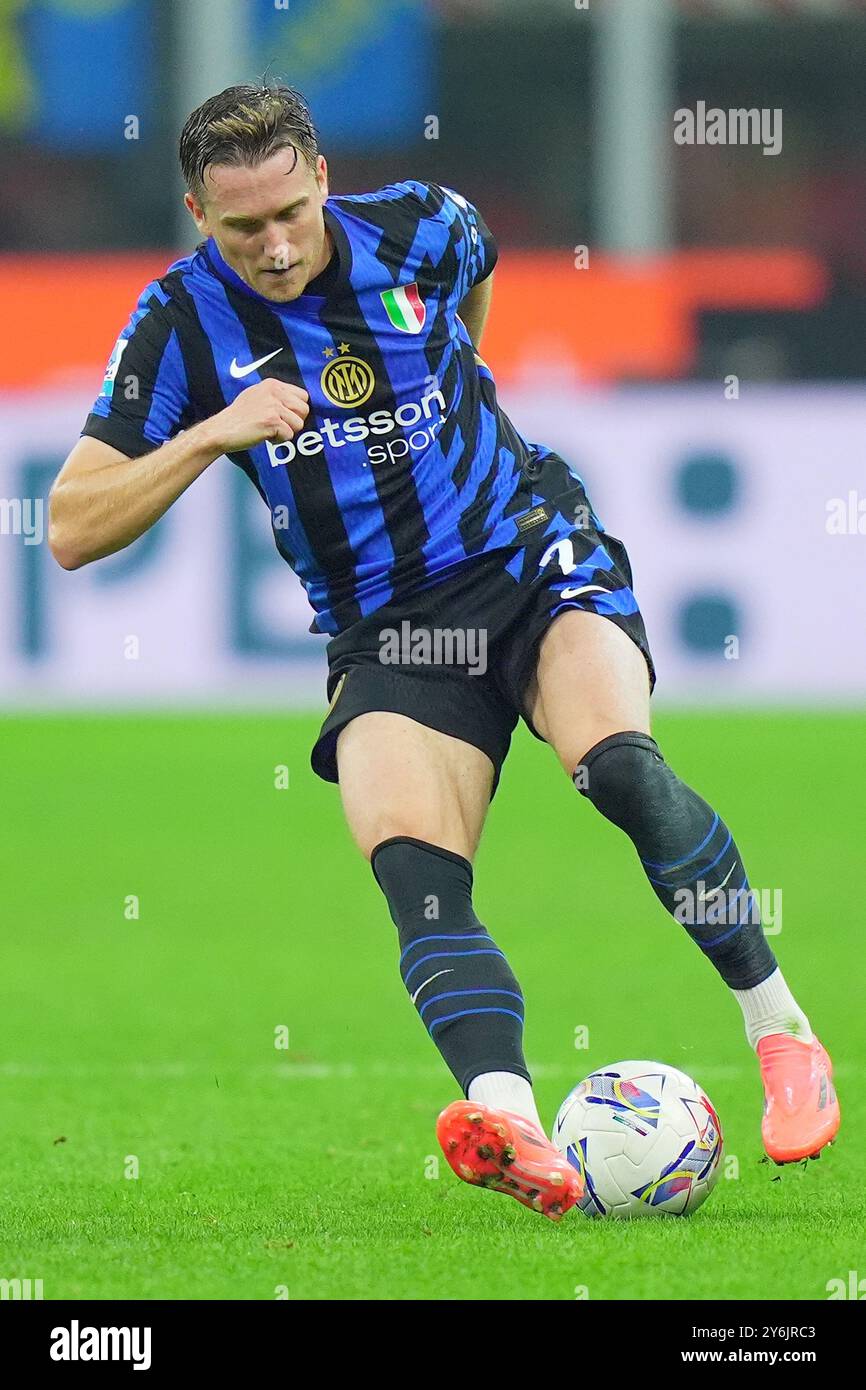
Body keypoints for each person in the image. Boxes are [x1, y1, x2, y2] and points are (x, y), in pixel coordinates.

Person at [49, 83, 839, 1222]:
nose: (273, 247)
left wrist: (456, 404)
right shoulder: (178, 328)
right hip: (388, 627)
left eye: (288, 214)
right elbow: (71, 525)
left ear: (322, 178)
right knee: (416, 876)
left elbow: (468, 290)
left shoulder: (422, 225)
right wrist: (214, 430)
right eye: (240, 228)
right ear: (195, 214)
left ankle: (779, 1030)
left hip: (527, 555)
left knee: (617, 764)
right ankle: (510, 1121)